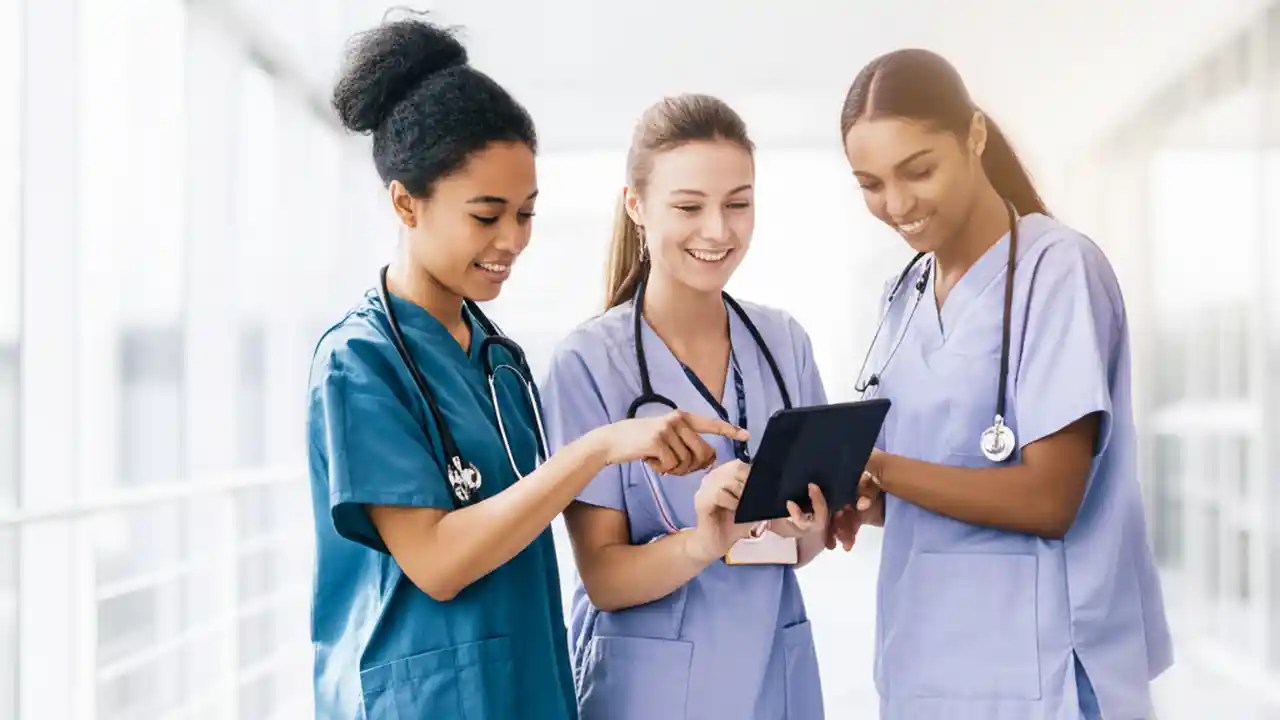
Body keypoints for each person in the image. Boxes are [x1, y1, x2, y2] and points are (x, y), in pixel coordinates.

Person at [306, 17, 746, 720]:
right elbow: (439, 564)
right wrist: (599, 448)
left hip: (525, 694)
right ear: (404, 202)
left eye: (526, 214)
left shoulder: (499, 360)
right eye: (486, 216)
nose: (511, 241)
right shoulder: (361, 362)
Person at [829, 49, 1173, 720]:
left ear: (975, 137)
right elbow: (931, 479)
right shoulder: (904, 295)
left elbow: (1049, 498)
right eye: (870, 183)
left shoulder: (1058, 270)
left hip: (1041, 673)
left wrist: (883, 467)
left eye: (918, 170)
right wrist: (864, 498)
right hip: (925, 664)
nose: (896, 204)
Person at [541, 94, 830, 720]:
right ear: (636, 207)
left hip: (774, 680)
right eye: (689, 206)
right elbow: (606, 580)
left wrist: (800, 529)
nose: (718, 230)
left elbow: (808, 545)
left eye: (738, 204)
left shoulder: (785, 343)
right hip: (650, 693)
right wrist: (704, 541)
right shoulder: (589, 363)